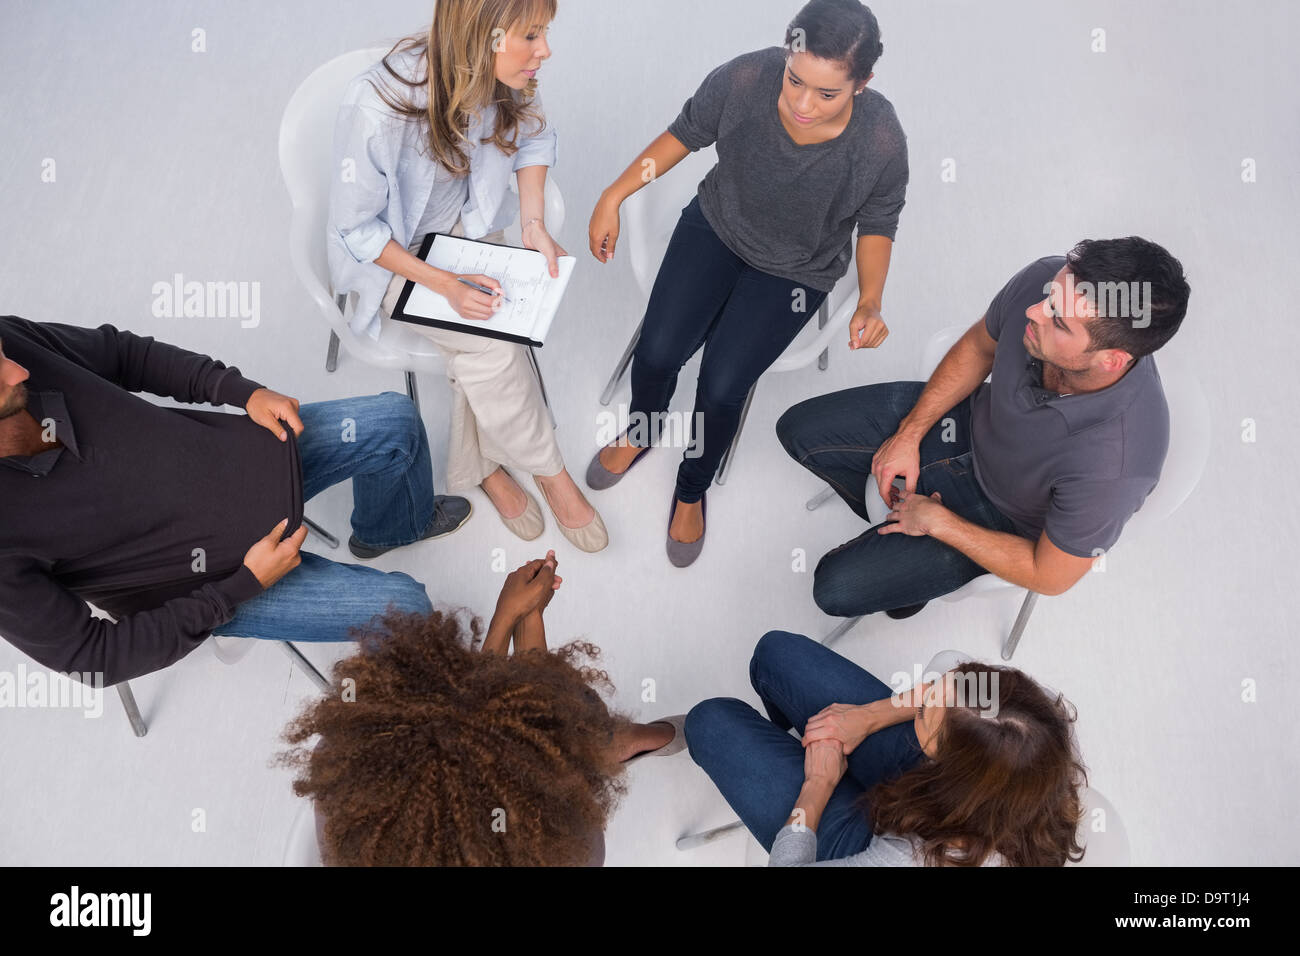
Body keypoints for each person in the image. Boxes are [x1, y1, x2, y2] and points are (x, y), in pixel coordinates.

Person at [586, 0, 907, 567]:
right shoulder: (745, 77)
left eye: (826, 94)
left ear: (863, 84)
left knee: (722, 386)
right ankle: (641, 430)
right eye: (795, 79)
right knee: (658, 352)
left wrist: (872, 299)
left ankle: (692, 485)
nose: (802, 103)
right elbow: (682, 135)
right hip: (717, 225)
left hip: (796, 269)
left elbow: (878, 223)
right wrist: (615, 193)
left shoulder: (880, 139)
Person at [0, 315, 468, 687]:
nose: (18, 369)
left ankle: (388, 529)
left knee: (396, 421)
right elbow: (93, 659)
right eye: (0, 381)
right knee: (407, 607)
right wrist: (239, 588)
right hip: (219, 580)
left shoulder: (8, 341)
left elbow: (124, 355)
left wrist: (237, 390)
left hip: (250, 459)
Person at [776, 237, 1191, 620]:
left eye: (1059, 321)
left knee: (833, 589)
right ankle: (896, 546)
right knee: (797, 430)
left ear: (1111, 360)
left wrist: (940, 523)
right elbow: (979, 346)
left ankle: (903, 578)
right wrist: (909, 434)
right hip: (968, 420)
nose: (1035, 310)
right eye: (1051, 295)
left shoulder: (1118, 465)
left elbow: (1050, 575)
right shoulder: (1045, 279)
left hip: (999, 519)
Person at [327, 0, 608, 553]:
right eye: (532, 36)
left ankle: (478, 468)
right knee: (496, 349)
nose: (545, 50)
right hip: (395, 257)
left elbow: (532, 136)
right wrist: (443, 284)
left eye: (545, 33)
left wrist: (531, 224)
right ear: (487, 36)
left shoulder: (508, 73)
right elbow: (357, 231)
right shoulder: (376, 108)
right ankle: (550, 471)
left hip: (463, 228)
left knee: (494, 329)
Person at [282, 551, 687, 866]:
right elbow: (520, 747)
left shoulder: (350, 781)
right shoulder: (569, 850)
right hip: (548, 765)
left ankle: (599, 733)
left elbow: (474, 721)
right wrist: (521, 625)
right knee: (578, 719)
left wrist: (509, 618)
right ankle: (620, 741)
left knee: (560, 723)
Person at [685, 631, 1088, 866]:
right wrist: (870, 716)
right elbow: (948, 681)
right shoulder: (1032, 720)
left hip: (897, 836)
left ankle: (783, 759)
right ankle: (778, 740)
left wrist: (817, 785)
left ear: (947, 765)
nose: (922, 695)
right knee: (775, 651)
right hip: (944, 793)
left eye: (926, 712)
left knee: (709, 723)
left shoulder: (914, 857)